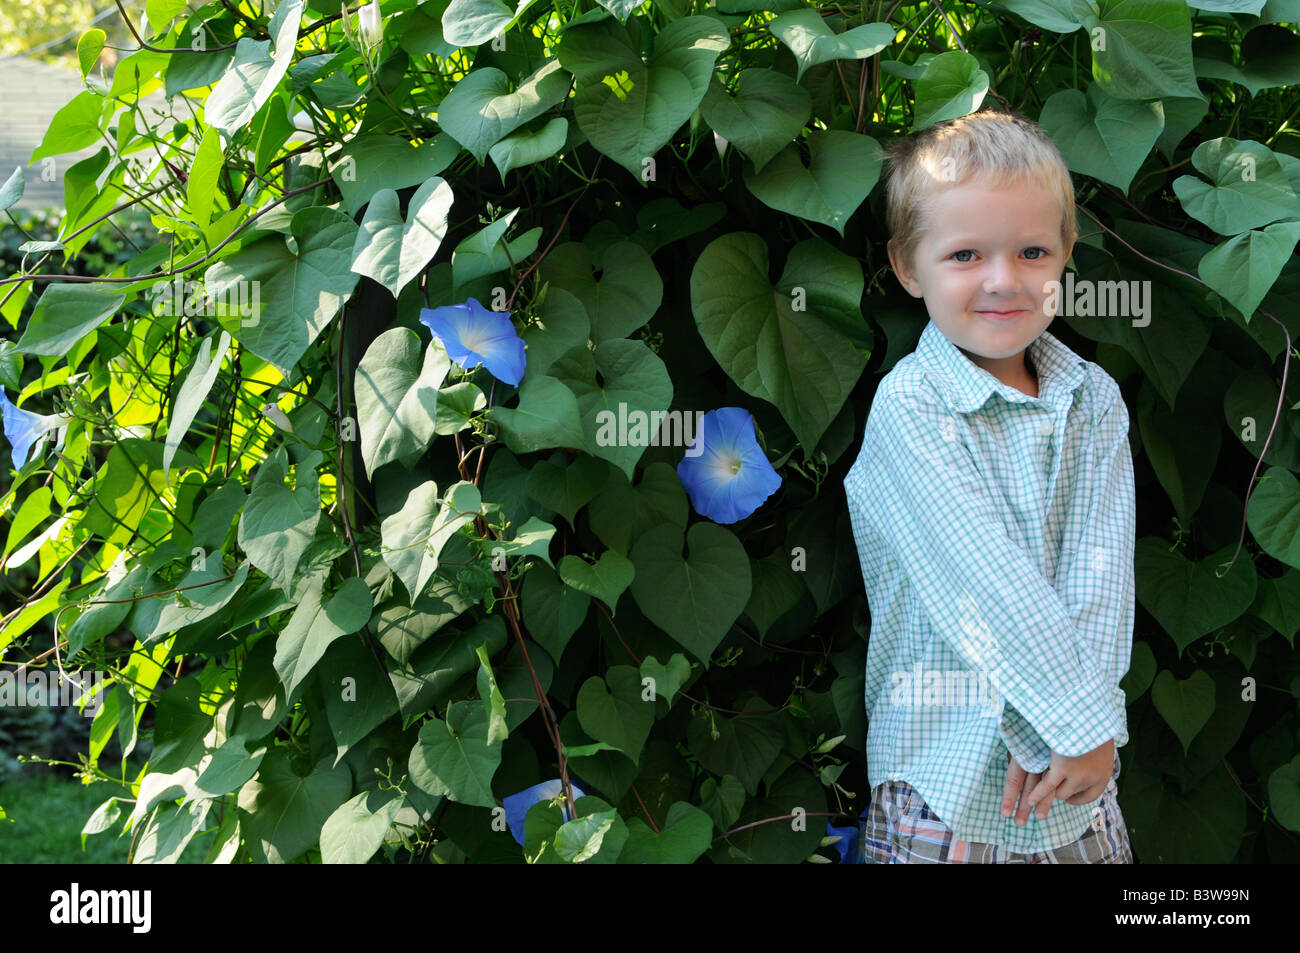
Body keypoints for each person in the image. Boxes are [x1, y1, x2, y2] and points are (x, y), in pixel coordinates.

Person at [842, 109, 1135, 863]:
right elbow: (986, 587)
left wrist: (1085, 736)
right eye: (966, 254)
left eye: (1032, 251)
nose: (1004, 280)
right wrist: (1073, 720)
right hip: (947, 787)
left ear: (1065, 255)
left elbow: (1102, 577)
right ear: (909, 266)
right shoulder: (912, 408)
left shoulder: (1092, 398)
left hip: (1076, 787)